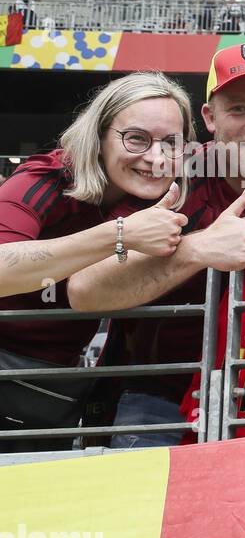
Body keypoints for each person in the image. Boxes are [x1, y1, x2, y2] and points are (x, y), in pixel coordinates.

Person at [68, 43, 245, 445]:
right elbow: (85, 290)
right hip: (151, 397)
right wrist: (197, 249)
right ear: (210, 118)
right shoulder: (172, 172)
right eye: (240, 108)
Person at [0, 73, 193, 451]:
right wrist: (121, 234)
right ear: (100, 135)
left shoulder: (156, 198)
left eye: (172, 142)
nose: (157, 158)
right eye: (137, 138)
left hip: (51, 391)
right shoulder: (46, 178)